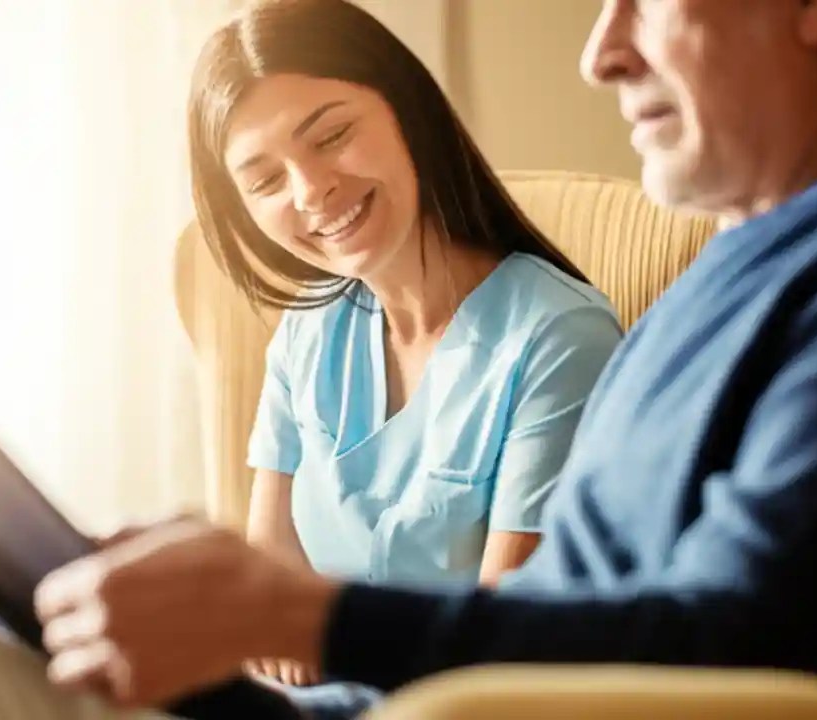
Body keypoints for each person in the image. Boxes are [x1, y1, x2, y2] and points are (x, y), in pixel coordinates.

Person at [0, 0, 817, 718]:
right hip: (337, 700)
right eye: (262, 177)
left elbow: (719, 636)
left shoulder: (763, 294)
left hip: (414, 707)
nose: (595, 55)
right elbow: (267, 604)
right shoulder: (728, 277)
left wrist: (306, 621)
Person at [185, 0, 620, 690]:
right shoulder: (307, 332)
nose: (311, 190)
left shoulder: (559, 338)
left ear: (406, 110)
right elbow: (271, 577)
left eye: (330, 135)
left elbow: (502, 653)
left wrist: (309, 635)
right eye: (266, 180)